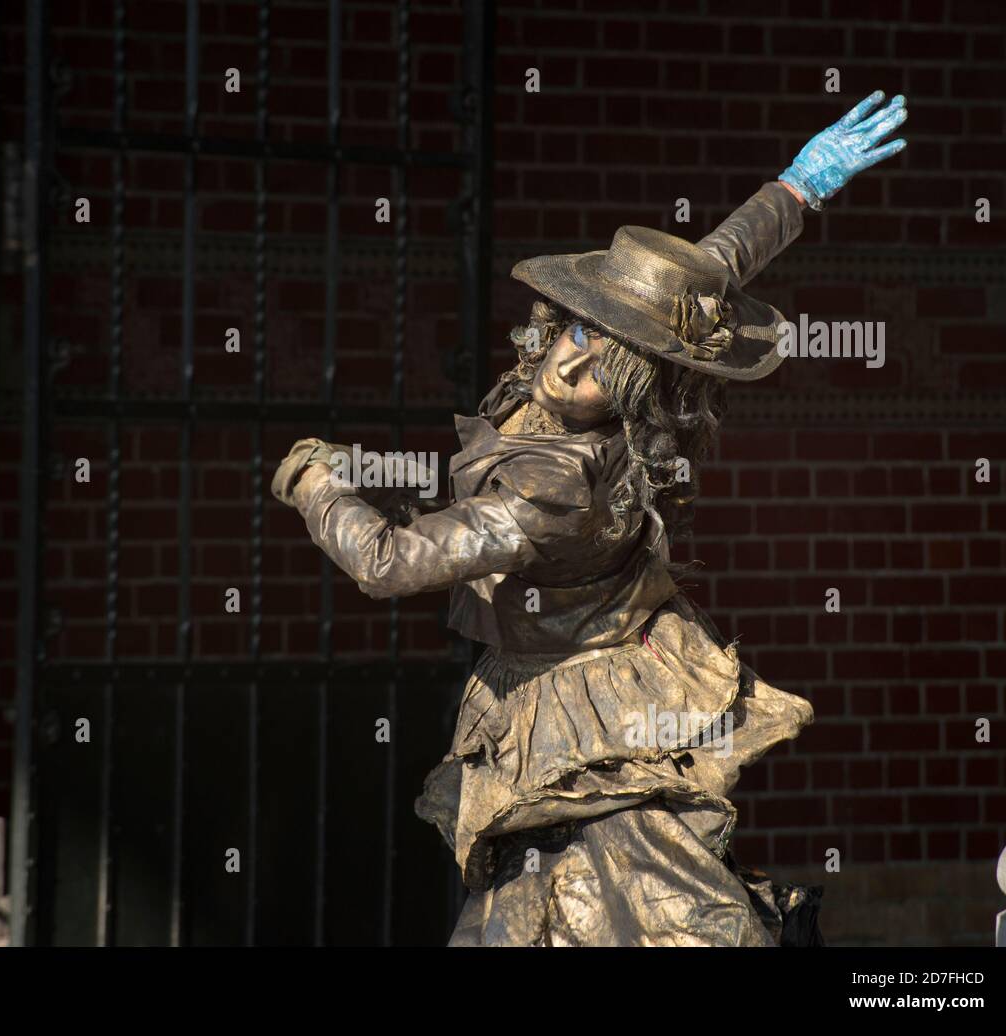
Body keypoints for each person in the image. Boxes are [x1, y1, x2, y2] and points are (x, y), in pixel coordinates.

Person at [272, 91, 907, 946]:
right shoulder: (604, 404)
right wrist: (798, 187)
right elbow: (709, 271)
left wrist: (311, 480)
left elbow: (389, 563)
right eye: (578, 326)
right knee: (527, 906)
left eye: (607, 359)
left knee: (662, 900)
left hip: (585, 721)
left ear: (643, 389)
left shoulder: (559, 483)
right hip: (575, 691)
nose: (572, 359)